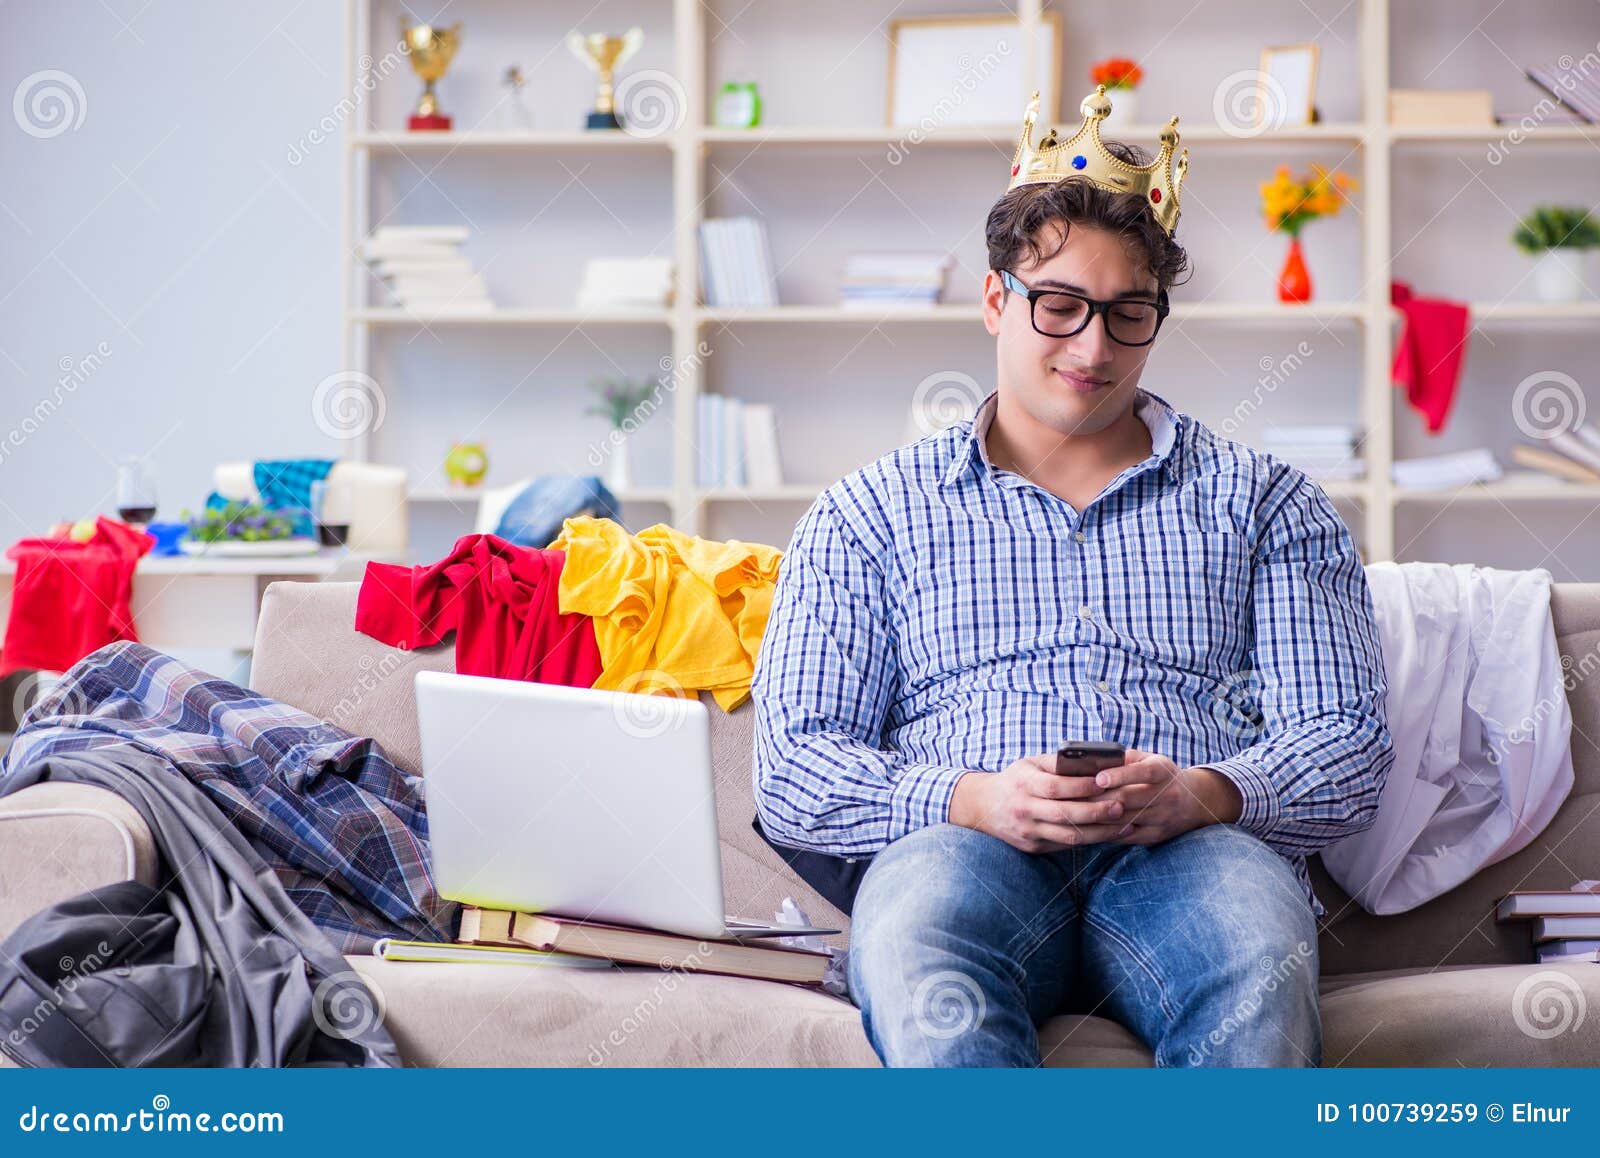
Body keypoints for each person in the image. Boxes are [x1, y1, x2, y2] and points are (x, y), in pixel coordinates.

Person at [749, 88, 1395, 1067]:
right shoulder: (866, 513)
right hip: (965, 850)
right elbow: (795, 766)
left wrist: (1205, 792)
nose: (1092, 349)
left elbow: (1345, 745)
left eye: (1128, 315)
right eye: (1058, 307)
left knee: (1256, 965)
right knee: (918, 954)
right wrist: (973, 799)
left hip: (1196, 854)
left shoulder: (1268, 503)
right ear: (995, 301)